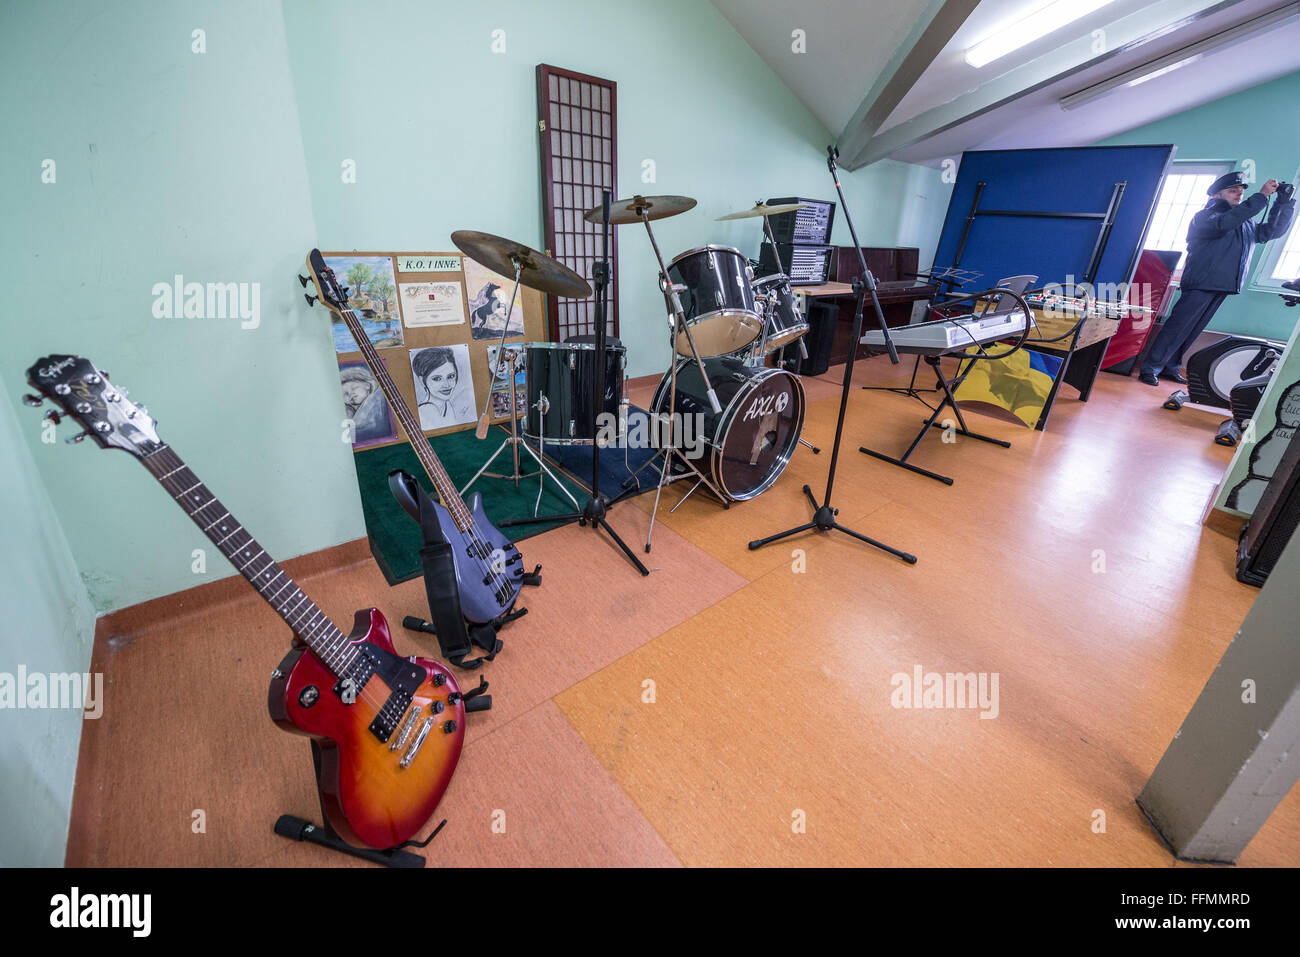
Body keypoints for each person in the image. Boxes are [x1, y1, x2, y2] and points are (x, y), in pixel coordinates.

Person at [1139, 171, 1294, 386]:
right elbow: (1224, 223)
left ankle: (1169, 366)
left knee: (1192, 330)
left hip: (1223, 283)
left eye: (1241, 192)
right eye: (1233, 191)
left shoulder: (1244, 222)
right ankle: (1150, 368)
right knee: (1177, 327)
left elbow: (1271, 232)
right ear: (1216, 195)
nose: (1238, 194)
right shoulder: (1206, 216)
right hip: (1202, 281)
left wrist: (1283, 204)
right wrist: (1260, 197)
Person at [413, 346, 473, 429]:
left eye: (451, 376)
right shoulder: (426, 411)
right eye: (437, 379)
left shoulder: (446, 405)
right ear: (422, 381)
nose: (447, 385)